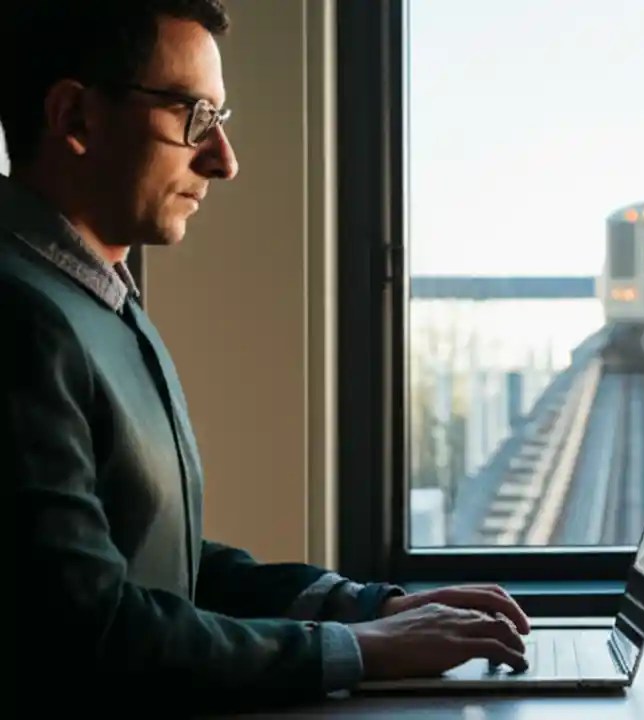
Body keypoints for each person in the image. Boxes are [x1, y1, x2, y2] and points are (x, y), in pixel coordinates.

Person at [1, 0, 530, 710]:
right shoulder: (22, 318)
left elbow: (156, 566)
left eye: (221, 122)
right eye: (195, 119)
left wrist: (364, 608)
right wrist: (360, 652)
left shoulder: (93, 300)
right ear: (75, 118)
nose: (224, 160)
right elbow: (89, 625)